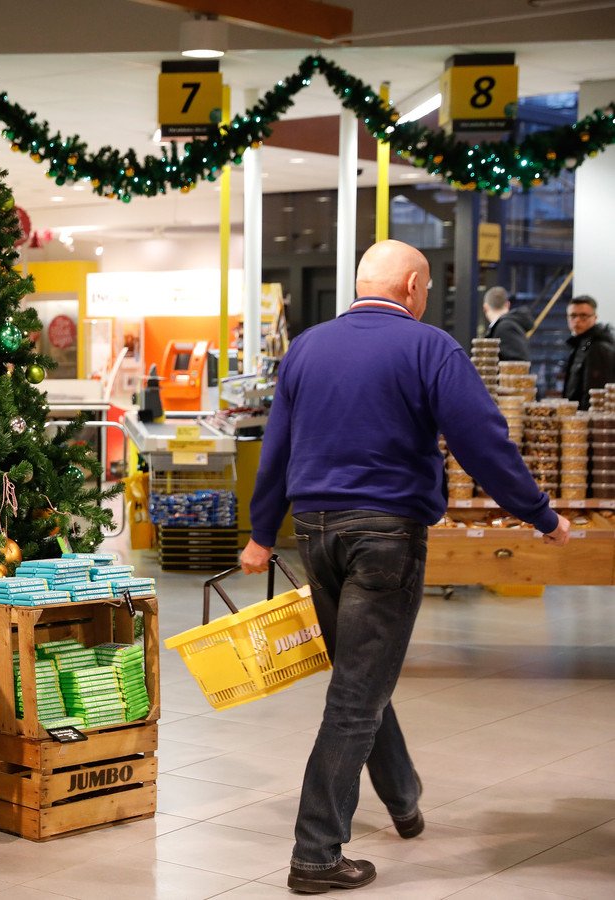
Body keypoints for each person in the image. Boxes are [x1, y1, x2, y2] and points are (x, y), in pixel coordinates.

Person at [240, 240, 570, 893]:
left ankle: (404, 802)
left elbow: (274, 446)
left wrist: (258, 534)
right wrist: (540, 514)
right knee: (357, 693)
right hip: (385, 537)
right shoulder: (429, 348)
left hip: (315, 532)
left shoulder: (306, 348)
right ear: (414, 286)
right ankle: (315, 855)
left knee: (363, 673)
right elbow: (482, 441)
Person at [561, 295, 615, 410]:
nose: (577, 320)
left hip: (589, 421)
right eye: (573, 316)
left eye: (583, 316)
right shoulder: (579, 345)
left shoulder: (598, 347)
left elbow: (596, 393)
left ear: (595, 318)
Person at [481, 286, 532, 362]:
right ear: (507, 304)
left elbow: (518, 365)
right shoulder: (508, 325)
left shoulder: (504, 328)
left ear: (485, 307)